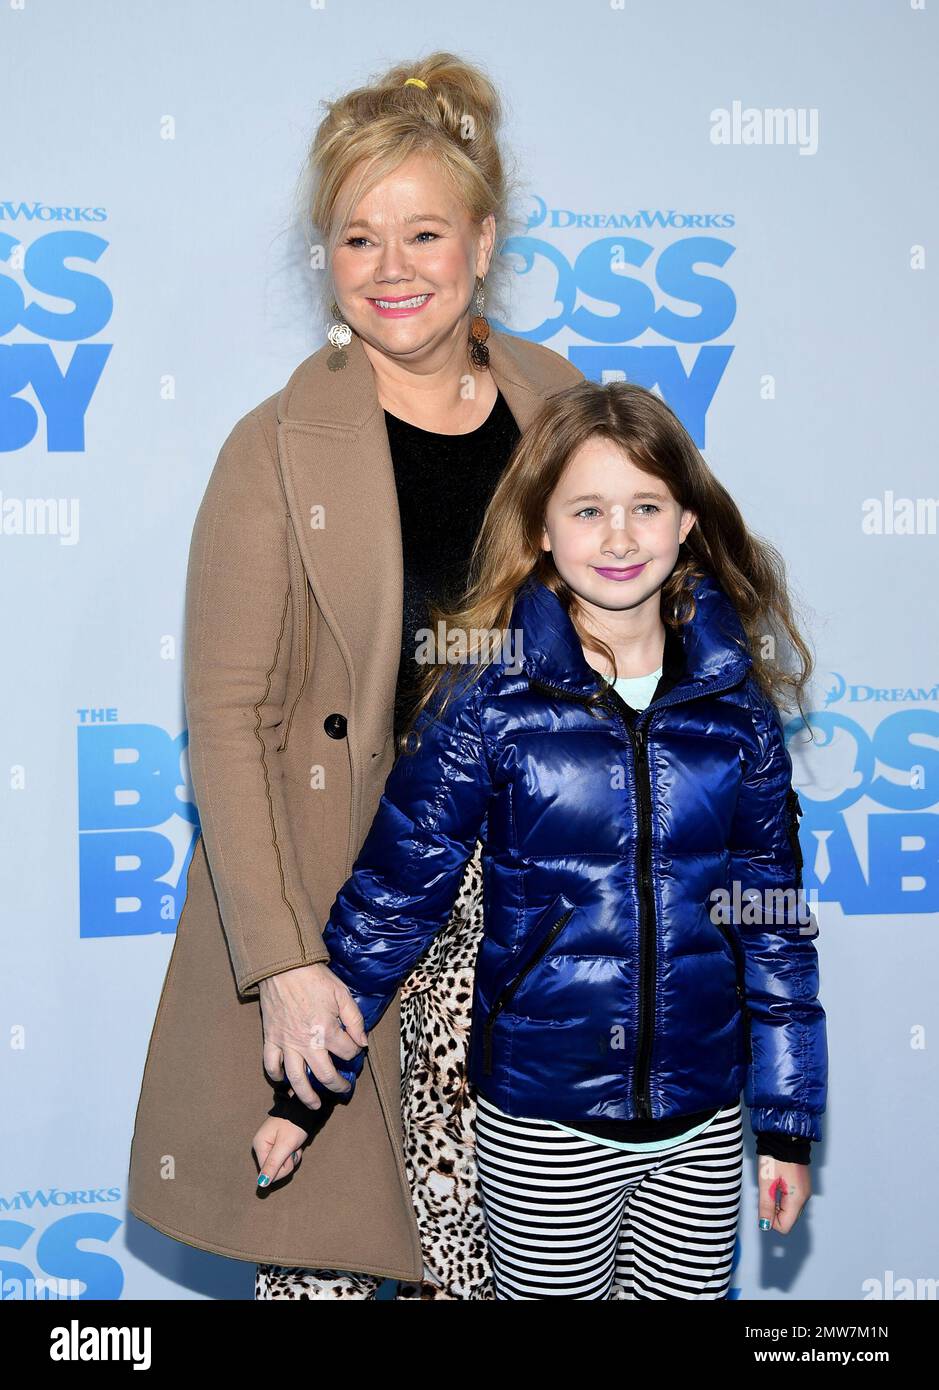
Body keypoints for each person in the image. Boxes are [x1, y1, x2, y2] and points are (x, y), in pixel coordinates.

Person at [126, 52, 581, 1300]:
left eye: (424, 231)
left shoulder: (566, 411)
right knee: (333, 1264)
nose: (393, 268)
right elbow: (225, 718)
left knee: (520, 1271)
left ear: (483, 242)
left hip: (538, 914)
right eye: (357, 237)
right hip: (357, 913)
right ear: (324, 258)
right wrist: (281, 965)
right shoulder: (273, 446)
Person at [257, 377, 829, 1299]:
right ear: (540, 531)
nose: (617, 536)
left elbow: (772, 930)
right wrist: (304, 1094)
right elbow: (396, 897)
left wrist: (789, 1123)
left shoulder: (736, 711)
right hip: (540, 1129)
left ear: (686, 520)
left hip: (705, 1125)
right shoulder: (485, 696)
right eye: (588, 509)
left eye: (645, 506)